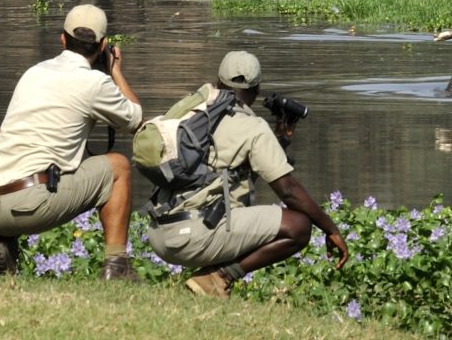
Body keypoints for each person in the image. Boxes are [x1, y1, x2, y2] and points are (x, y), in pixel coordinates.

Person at [148, 51, 348, 298]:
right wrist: (330, 228)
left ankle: (208, 277)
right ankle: (219, 278)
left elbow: (226, 171)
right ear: (257, 90)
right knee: (298, 226)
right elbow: (288, 191)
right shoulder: (254, 128)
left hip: (158, 235)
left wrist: (280, 143)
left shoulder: (192, 112)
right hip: (192, 239)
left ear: (218, 82)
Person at [0, 2, 144, 279]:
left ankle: (4, 245)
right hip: (28, 205)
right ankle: (117, 265)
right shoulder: (96, 84)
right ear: (103, 46)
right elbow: (136, 121)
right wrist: (115, 71)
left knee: (23, 158)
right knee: (119, 166)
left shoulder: (34, 72)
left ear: (62, 38)